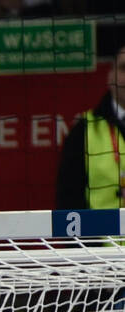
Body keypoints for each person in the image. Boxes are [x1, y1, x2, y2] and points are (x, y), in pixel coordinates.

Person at [56, 44, 125, 211]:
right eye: (124, 68)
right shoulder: (84, 130)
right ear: (110, 76)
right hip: (100, 237)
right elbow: (68, 200)